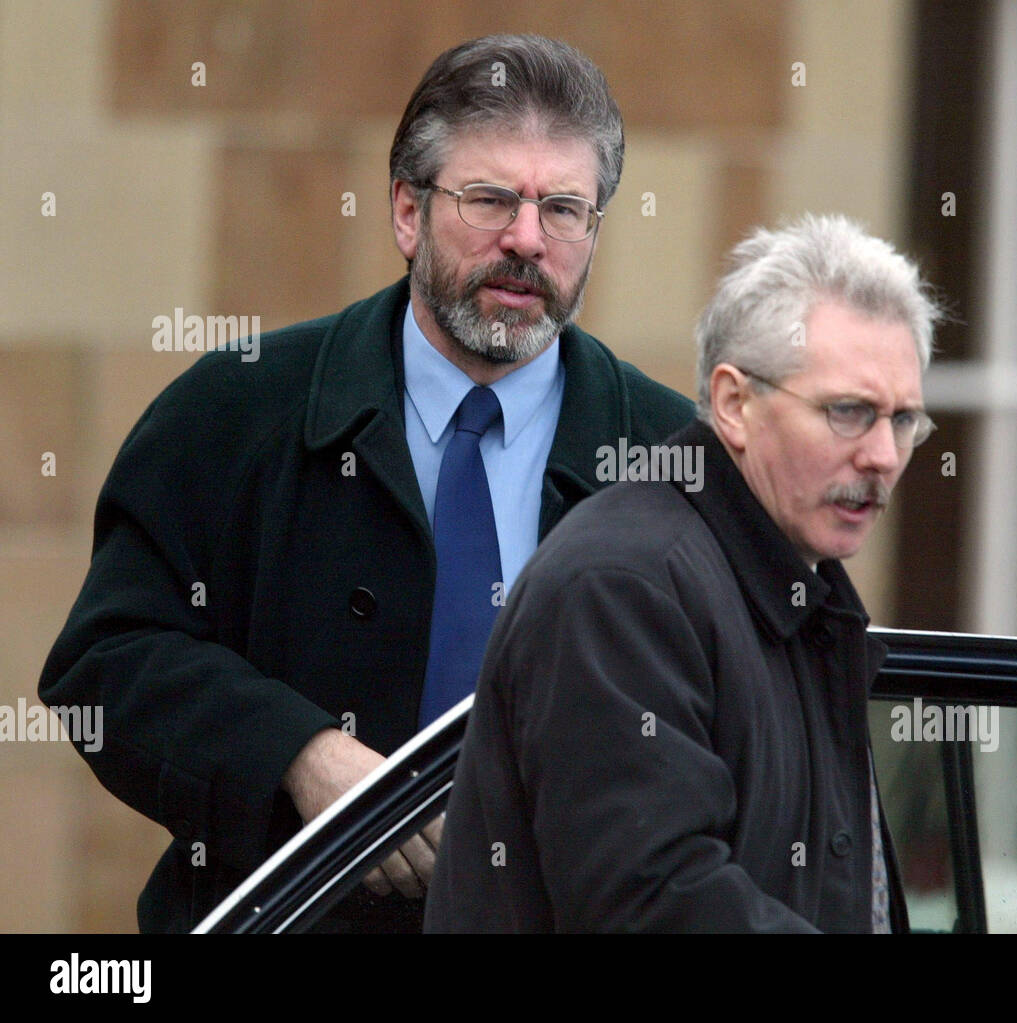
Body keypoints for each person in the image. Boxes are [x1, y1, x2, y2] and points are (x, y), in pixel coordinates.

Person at [38, 34, 693, 933]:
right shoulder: (241, 407)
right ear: (405, 212)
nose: (528, 240)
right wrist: (299, 756)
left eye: (565, 208)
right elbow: (104, 666)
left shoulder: (670, 458)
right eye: (491, 199)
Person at [426, 213, 939, 932]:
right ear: (734, 403)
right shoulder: (623, 586)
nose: (883, 454)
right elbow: (654, 902)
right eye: (849, 412)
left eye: (904, 420)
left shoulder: (799, 598)